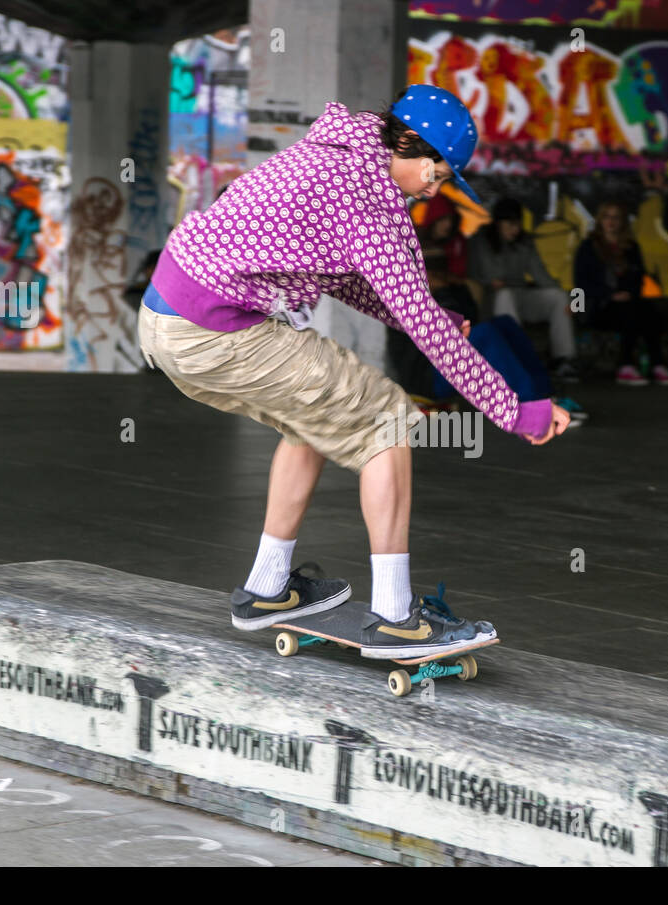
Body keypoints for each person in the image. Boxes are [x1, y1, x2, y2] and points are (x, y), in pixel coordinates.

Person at [137, 84, 570, 657]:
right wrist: (515, 411)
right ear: (412, 147)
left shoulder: (341, 154)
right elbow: (428, 336)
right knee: (386, 419)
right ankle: (395, 617)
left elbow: (348, 279)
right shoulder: (371, 203)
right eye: (435, 176)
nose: (432, 191)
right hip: (215, 332)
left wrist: (431, 313)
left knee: (315, 415)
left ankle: (268, 588)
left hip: (166, 320)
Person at [409, 195, 587, 424]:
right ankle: (532, 406)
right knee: (487, 333)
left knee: (505, 324)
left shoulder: (447, 291)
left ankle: (545, 393)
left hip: (450, 355)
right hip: (427, 377)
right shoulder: (408, 299)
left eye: (443, 272)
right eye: (435, 274)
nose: (443, 278)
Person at [468, 196, 580, 383]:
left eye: (517, 224)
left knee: (558, 297)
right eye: (510, 224)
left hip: (519, 295)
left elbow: (540, 275)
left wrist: (570, 299)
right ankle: (517, 357)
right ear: (498, 223)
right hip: (491, 302)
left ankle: (564, 359)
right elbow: (492, 278)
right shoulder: (481, 240)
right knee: (504, 294)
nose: (515, 229)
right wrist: (503, 280)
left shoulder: (524, 242)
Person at [572, 199, 668, 386]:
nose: (611, 222)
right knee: (632, 309)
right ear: (600, 220)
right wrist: (609, 295)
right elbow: (581, 284)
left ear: (622, 222)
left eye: (616, 218)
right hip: (599, 306)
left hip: (629, 302)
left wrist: (628, 293)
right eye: (607, 217)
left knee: (646, 309)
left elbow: (639, 279)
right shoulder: (588, 247)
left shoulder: (631, 248)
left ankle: (657, 364)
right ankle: (626, 365)